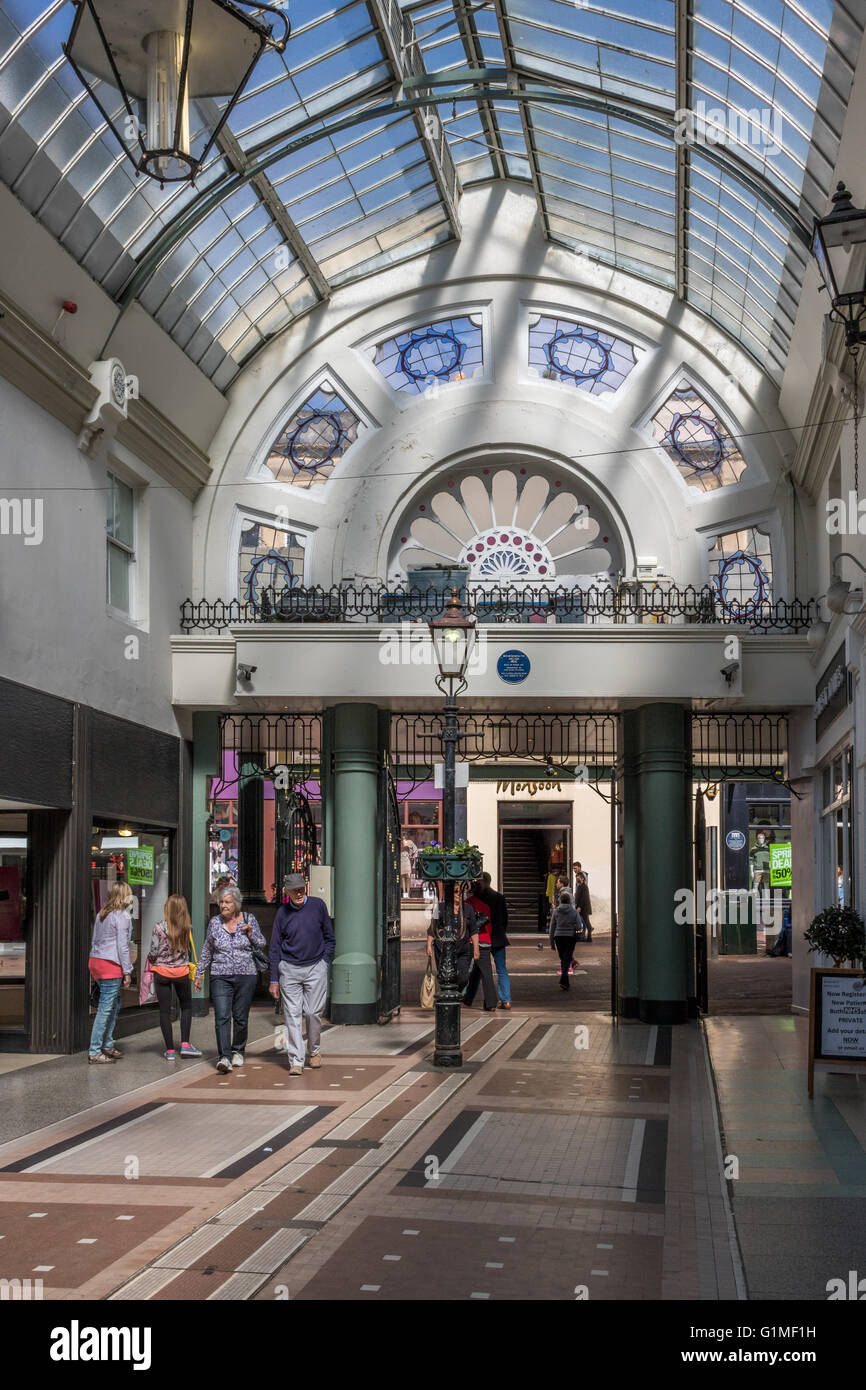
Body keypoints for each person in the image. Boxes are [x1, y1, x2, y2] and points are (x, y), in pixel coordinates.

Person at [268, 872, 335, 1076]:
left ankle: (314, 1051)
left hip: (316, 966)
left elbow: (329, 936)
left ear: (305, 887)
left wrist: (324, 962)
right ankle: (296, 1060)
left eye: (301, 888)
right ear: (286, 892)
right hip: (289, 969)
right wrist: (273, 979)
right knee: (292, 1015)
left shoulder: (318, 905)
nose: (298, 893)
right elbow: (274, 947)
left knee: (313, 1013)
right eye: (294, 890)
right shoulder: (282, 913)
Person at [194, 885, 266, 1072]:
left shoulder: (250, 919)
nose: (223, 906)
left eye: (227, 902)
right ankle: (224, 1057)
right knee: (221, 1016)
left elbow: (262, 943)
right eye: (221, 902)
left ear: (236, 903)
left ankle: (238, 1051)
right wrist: (199, 973)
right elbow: (207, 949)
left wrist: (251, 933)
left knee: (241, 1017)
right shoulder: (215, 923)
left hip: (246, 975)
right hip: (220, 975)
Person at [148, 894, 201, 1061]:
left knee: (164, 1011)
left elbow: (153, 952)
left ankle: (170, 1051)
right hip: (181, 973)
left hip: (162, 972)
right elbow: (189, 951)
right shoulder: (187, 928)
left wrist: (153, 959)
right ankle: (185, 1045)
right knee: (186, 1007)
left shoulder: (158, 928)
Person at [87, 881, 133, 1064]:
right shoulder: (122, 916)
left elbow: (95, 939)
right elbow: (122, 946)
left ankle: (106, 1043)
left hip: (96, 961)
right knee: (106, 1007)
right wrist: (127, 971)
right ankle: (95, 1050)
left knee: (114, 1002)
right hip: (110, 964)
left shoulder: (102, 913)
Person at [427, 883, 476, 993]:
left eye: (460, 892)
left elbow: (474, 930)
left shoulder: (468, 909)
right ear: (449, 893)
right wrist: (429, 944)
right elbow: (432, 928)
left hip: (463, 949)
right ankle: (447, 995)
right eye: (455, 891)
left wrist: (476, 948)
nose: (458, 894)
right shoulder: (440, 908)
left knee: (464, 977)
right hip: (443, 949)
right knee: (445, 977)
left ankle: (454, 993)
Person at [462, 883, 499, 1010]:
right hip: (484, 941)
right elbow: (489, 927)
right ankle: (491, 1003)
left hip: (469, 941)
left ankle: (458, 996)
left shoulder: (466, 904)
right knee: (485, 973)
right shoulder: (485, 906)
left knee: (462, 970)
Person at [478, 872, 511, 1009]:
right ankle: (506, 1000)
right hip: (498, 937)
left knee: (483, 971)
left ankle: (487, 1000)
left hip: (484, 937)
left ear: (482, 882)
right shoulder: (499, 897)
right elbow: (505, 919)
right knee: (502, 969)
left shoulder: (479, 898)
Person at [549, 889, 581, 991]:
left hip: (558, 937)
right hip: (570, 937)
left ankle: (564, 980)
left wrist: (552, 943)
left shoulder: (556, 911)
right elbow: (579, 926)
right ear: (569, 901)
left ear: (560, 901)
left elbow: (552, 928)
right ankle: (564, 979)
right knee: (566, 957)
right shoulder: (574, 912)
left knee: (563, 957)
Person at [576, 872, 593, 943]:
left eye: (578, 878)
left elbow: (583, 898)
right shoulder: (579, 886)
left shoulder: (584, 887)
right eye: (576, 878)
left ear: (582, 878)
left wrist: (579, 907)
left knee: (586, 922)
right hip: (581, 908)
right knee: (586, 922)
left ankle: (588, 937)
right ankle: (587, 937)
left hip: (584, 908)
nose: (577, 879)